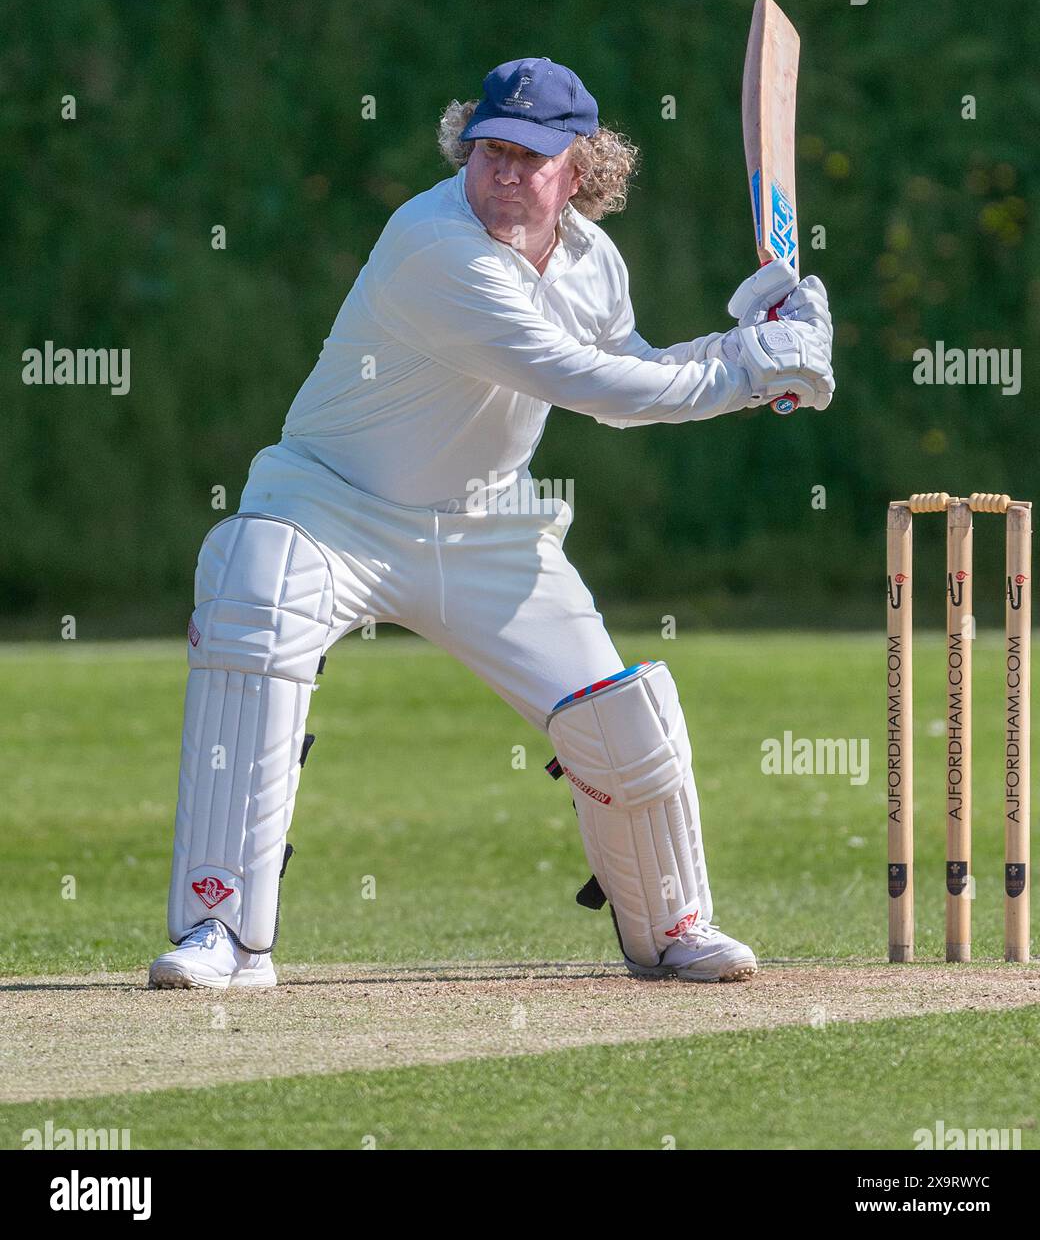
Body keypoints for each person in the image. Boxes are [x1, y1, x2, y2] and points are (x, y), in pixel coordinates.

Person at [149, 56, 834, 990]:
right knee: (253, 593)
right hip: (329, 505)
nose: (505, 173)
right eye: (489, 151)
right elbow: (585, 383)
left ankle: (674, 928)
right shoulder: (438, 247)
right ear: (464, 152)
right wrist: (753, 366)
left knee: (620, 715)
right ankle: (219, 931)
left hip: (486, 528)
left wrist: (752, 353)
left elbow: (629, 370)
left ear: (581, 172)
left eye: (530, 156)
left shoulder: (594, 260)